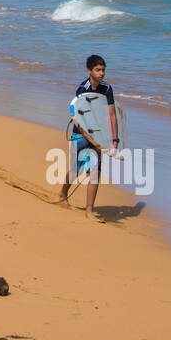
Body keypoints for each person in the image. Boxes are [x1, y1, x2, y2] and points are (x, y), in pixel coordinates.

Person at [58, 54, 122, 221]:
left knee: (95, 171)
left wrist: (114, 140)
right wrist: (88, 136)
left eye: (103, 70)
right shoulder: (82, 88)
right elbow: (78, 116)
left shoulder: (106, 89)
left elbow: (112, 115)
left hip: (98, 135)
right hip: (80, 134)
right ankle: (63, 194)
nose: (101, 73)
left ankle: (89, 211)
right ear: (89, 71)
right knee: (74, 170)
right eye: (98, 70)